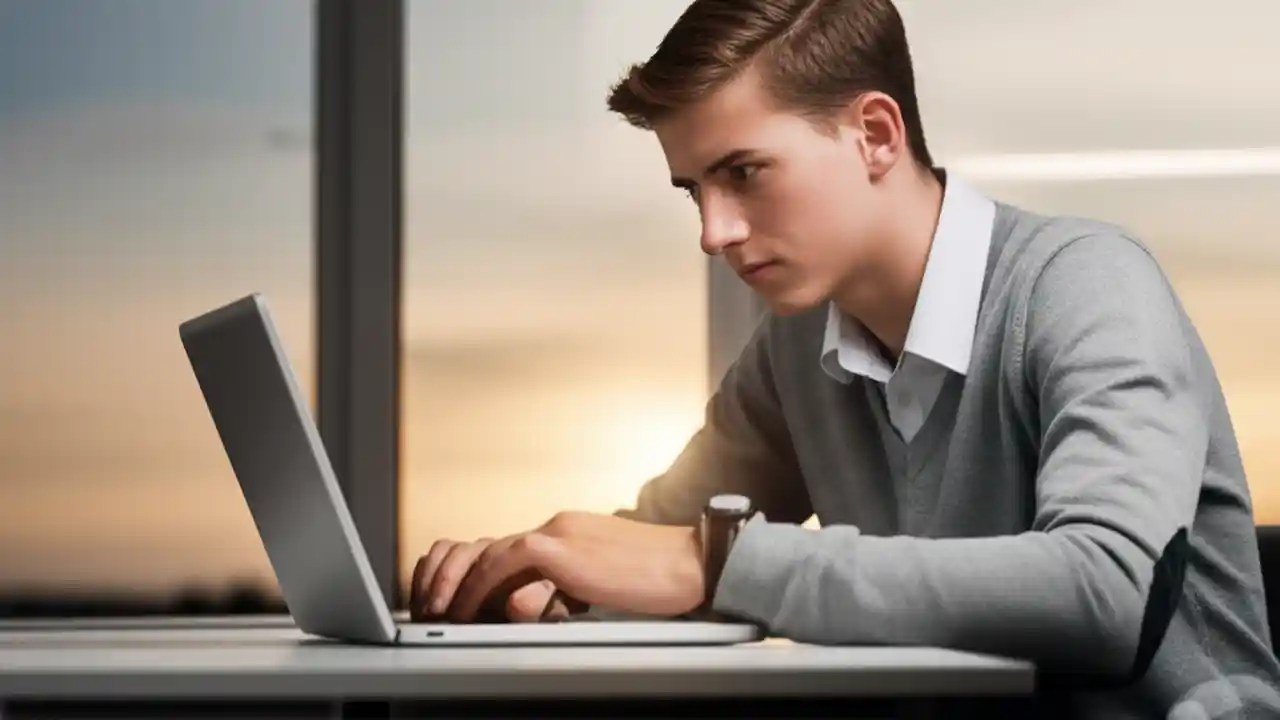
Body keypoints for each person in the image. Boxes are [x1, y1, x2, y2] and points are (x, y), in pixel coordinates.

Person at [409, 0, 1280, 716]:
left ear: (874, 133)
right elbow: (659, 546)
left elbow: (1109, 594)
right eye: (694, 191)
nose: (713, 232)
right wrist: (543, 581)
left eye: (744, 173)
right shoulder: (795, 347)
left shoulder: (1087, 283)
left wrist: (716, 563)